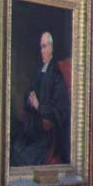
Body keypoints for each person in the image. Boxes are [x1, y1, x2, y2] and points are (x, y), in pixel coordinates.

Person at [13, 29, 70, 167]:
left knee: (25, 155)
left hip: (48, 134)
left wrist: (39, 106)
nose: (42, 50)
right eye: (41, 47)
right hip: (34, 126)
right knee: (15, 147)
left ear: (51, 48)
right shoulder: (39, 69)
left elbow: (60, 110)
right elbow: (30, 91)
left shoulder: (57, 74)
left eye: (45, 47)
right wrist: (29, 99)